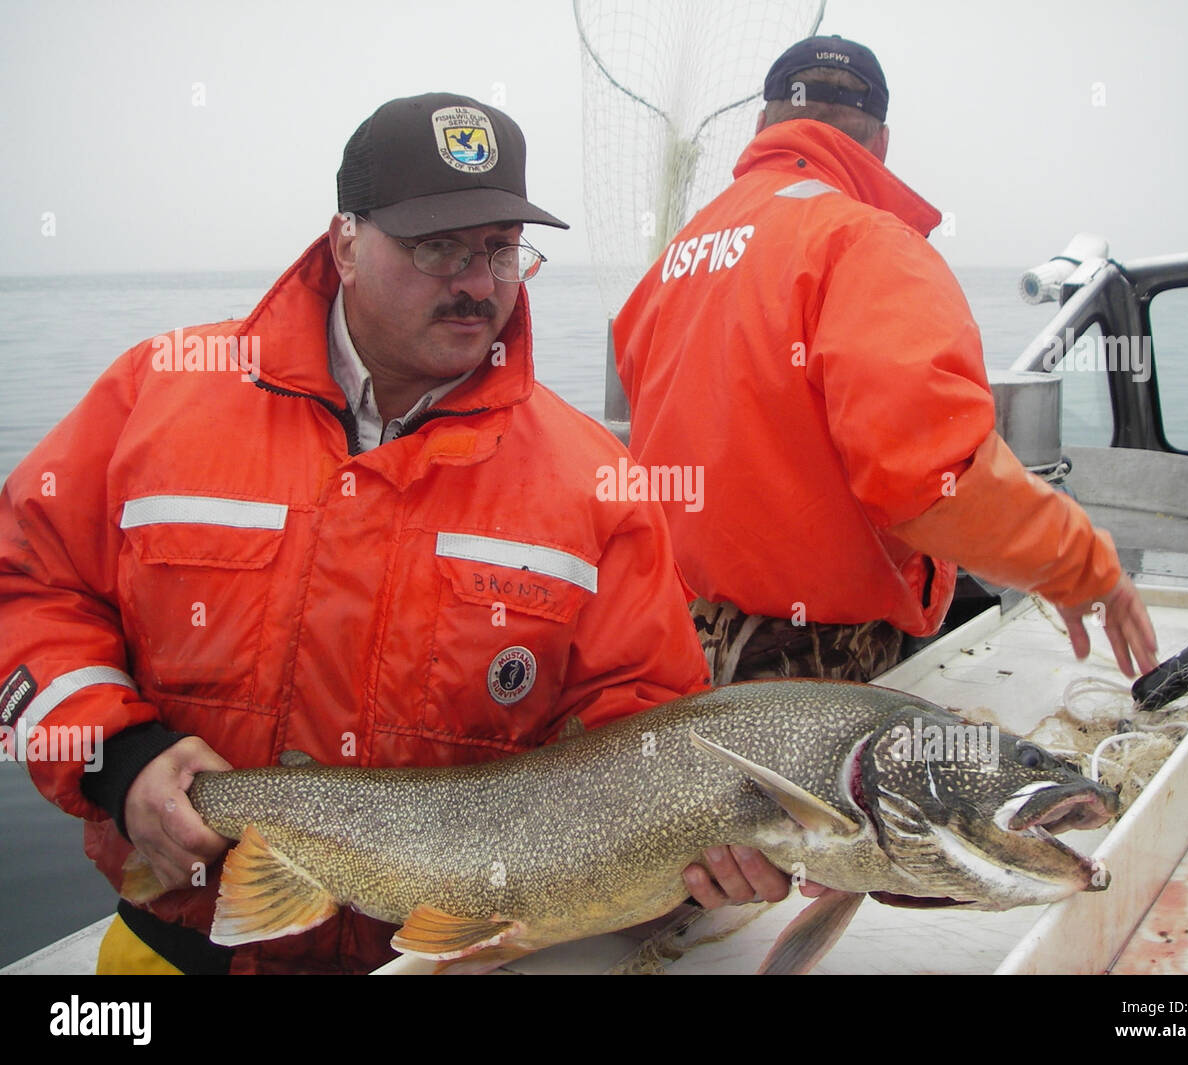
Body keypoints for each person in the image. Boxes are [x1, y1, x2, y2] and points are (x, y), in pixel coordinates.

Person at [0, 92, 711, 973]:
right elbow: (23, 588)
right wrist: (119, 759)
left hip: (446, 957)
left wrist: (701, 839)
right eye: (437, 247)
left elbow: (649, 723)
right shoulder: (157, 395)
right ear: (344, 241)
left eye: (500, 250)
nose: (478, 283)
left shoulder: (596, 480)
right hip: (178, 942)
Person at [613, 38, 1160, 907]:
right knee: (826, 893)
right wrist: (1082, 563)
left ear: (761, 127)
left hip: (680, 648)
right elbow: (932, 480)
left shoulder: (676, 258)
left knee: (707, 903)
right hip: (810, 674)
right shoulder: (865, 243)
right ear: (881, 142)